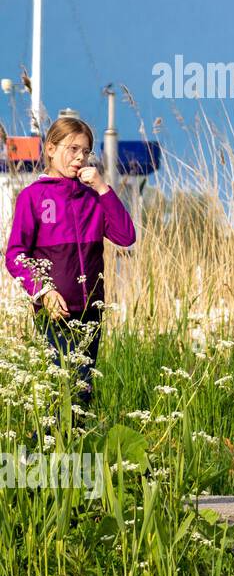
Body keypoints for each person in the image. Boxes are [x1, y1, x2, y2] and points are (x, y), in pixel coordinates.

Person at [5, 115, 137, 416]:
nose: (79, 157)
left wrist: (103, 188)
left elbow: (126, 236)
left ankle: (77, 450)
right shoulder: (32, 197)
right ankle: (53, 453)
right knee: (57, 390)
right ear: (51, 149)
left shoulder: (93, 198)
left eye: (86, 151)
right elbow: (15, 255)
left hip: (91, 311)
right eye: (72, 148)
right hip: (54, 312)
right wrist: (44, 291)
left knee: (82, 390)